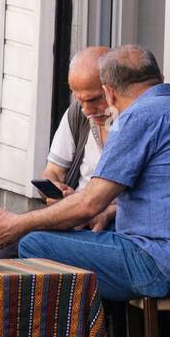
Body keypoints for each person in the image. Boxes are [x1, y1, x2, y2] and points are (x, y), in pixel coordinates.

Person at [0, 45, 170, 301]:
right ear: (158, 78)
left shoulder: (138, 117)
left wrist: (19, 223)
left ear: (109, 94)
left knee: (34, 244)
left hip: (163, 266)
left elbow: (90, 203)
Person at [39, 46, 112, 225]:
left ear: (113, 89)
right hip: (73, 215)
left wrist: (108, 211)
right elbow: (53, 171)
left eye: (94, 99)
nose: (87, 110)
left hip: (108, 224)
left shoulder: (135, 123)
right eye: (80, 100)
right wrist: (52, 188)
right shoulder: (78, 114)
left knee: (29, 241)